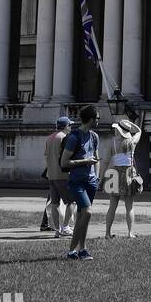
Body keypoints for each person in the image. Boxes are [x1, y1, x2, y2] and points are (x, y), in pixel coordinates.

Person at [60, 104, 101, 259]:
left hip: (91, 182)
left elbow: (96, 159)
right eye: (97, 118)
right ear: (90, 119)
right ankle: (72, 250)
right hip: (77, 182)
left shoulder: (94, 136)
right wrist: (84, 162)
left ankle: (81, 250)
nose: (99, 121)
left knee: (82, 215)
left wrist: (97, 176)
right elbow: (64, 163)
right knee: (88, 212)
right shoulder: (73, 137)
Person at [100, 111, 143, 239]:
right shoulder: (132, 142)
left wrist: (101, 177)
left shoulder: (112, 142)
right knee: (129, 206)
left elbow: (106, 161)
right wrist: (129, 124)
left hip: (114, 174)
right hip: (129, 174)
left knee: (112, 205)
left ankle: (107, 233)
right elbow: (139, 131)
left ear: (118, 130)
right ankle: (130, 233)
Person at [44, 116, 75, 238]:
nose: (71, 128)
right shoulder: (64, 138)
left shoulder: (50, 138)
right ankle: (66, 227)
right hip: (63, 174)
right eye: (70, 125)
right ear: (66, 126)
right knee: (71, 202)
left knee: (55, 204)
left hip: (51, 174)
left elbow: (46, 155)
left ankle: (57, 230)